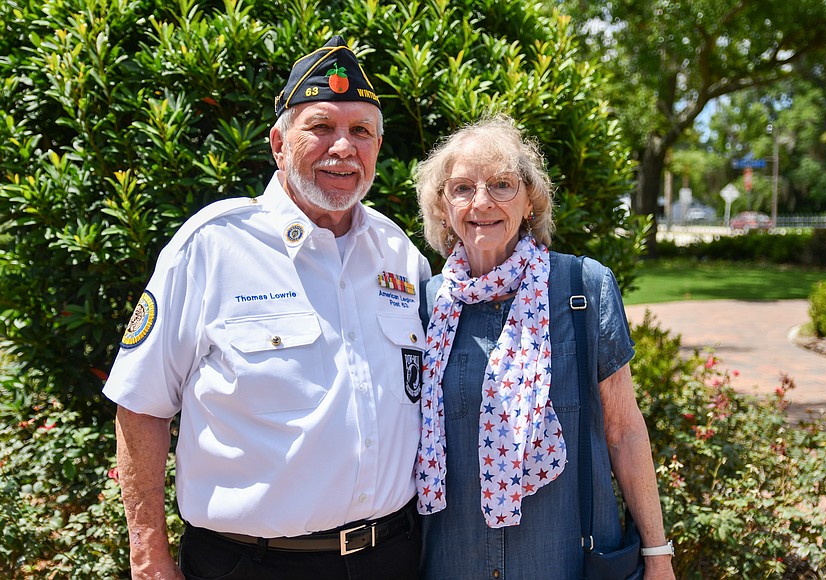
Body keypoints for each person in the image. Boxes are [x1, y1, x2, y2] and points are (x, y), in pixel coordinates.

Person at [104, 36, 431, 580]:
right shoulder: (213, 245)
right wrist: (148, 558)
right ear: (279, 143)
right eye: (321, 127)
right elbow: (141, 406)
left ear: (377, 147)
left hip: (390, 556)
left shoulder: (398, 251)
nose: (343, 147)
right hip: (251, 563)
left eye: (361, 131)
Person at [413, 114, 676, 579]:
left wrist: (658, 556)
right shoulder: (427, 304)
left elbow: (624, 431)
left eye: (501, 185)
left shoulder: (582, 288)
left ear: (530, 200)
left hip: (563, 559)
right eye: (462, 188)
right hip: (454, 561)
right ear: (441, 206)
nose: (481, 202)